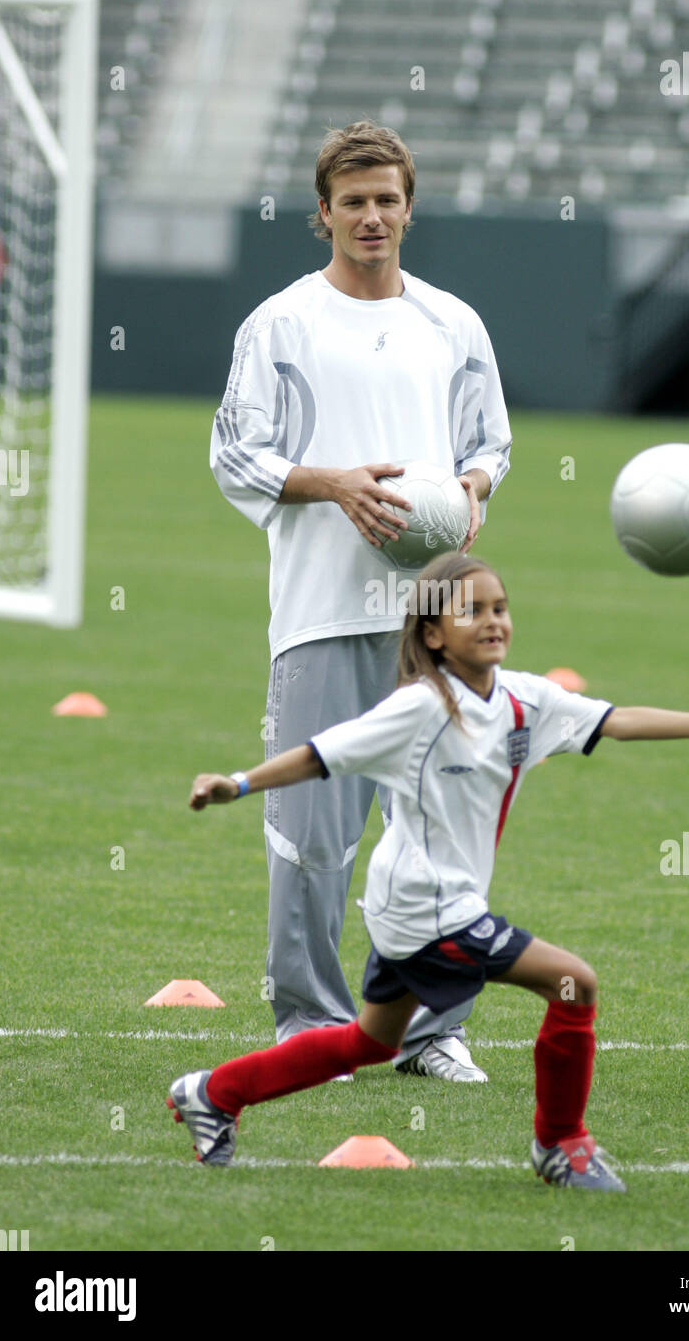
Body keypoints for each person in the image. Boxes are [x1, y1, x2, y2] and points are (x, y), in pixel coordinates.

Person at [170, 553, 689, 1189]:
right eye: (473, 611)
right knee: (574, 984)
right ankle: (561, 1144)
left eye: (500, 608)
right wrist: (236, 785)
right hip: (429, 909)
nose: (493, 621)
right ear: (433, 634)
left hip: (409, 907)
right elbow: (321, 755)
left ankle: (213, 1092)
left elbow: (614, 721)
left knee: (369, 1043)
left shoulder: (524, 699)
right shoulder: (419, 709)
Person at [209, 120, 511, 1082]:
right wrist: (332, 483)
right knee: (313, 835)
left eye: (387, 200)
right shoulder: (282, 324)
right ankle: (310, 1025)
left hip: (431, 618)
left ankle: (430, 1030)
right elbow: (234, 452)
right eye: (353, 202)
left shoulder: (453, 323)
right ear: (324, 213)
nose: (372, 216)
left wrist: (470, 491)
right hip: (323, 609)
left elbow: (487, 443)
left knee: (433, 831)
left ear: (408, 208)